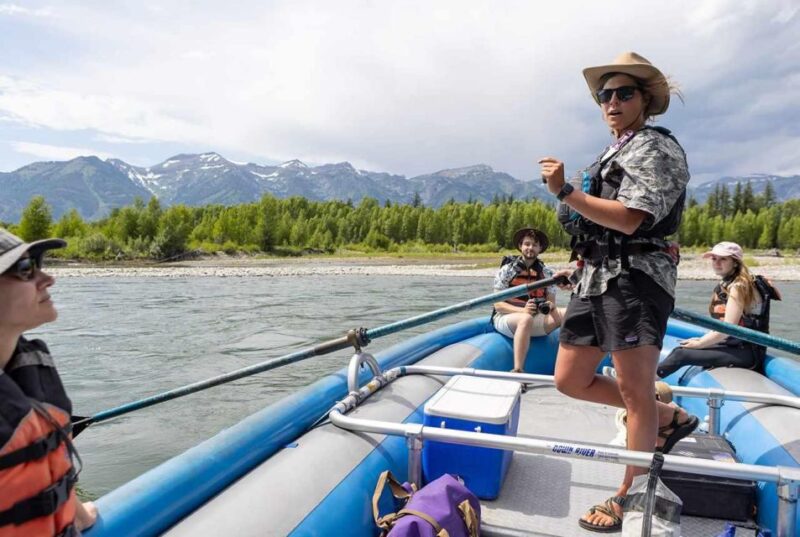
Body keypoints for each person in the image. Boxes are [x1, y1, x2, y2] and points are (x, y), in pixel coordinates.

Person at [538, 52, 698, 533]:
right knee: (568, 378)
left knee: (634, 389)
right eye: (604, 94)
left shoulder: (655, 147)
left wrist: (565, 191)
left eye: (623, 92)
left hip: (635, 279)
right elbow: (595, 223)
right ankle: (666, 415)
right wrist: (577, 258)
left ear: (644, 100)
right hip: (594, 276)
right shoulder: (611, 152)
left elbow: (630, 218)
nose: (611, 101)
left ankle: (627, 492)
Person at [0, 229, 98, 535]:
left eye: (38, 263)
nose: (47, 278)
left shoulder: (21, 373)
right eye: (25, 269)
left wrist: (77, 515)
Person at [657, 241, 781, 378]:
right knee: (682, 349)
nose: (717, 263)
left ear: (735, 262)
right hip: (736, 347)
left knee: (680, 354)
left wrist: (700, 344)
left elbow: (728, 328)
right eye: (714, 259)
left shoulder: (739, 287)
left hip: (747, 353)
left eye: (723, 259)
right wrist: (701, 341)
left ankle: (643, 388)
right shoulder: (731, 283)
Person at [491, 227, 564, 372]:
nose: (530, 248)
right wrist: (523, 310)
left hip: (536, 319)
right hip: (507, 319)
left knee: (570, 312)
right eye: (527, 244)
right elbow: (498, 305)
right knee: (525, 319)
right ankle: (518, 370)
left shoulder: (547, 273)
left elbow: (551, 302)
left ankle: (567, 366)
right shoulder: (507, 270)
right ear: (520, 246)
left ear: (540, 248)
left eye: (534, 245)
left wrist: (549, 306)